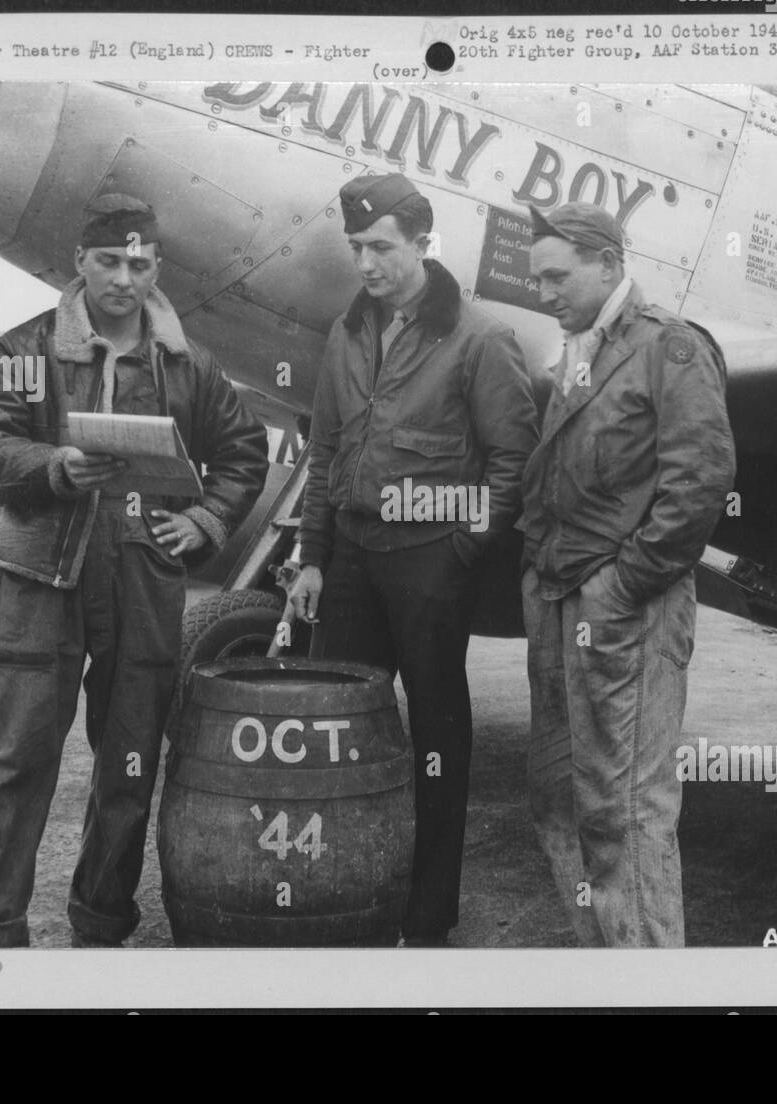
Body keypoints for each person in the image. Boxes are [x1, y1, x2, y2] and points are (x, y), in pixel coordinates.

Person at [0, 194, 269, 948]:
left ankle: (101, 923)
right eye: (111, 262)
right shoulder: (24, 350)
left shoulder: (190, 367)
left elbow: (243, 453)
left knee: (129, 764)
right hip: (37, 582)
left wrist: (205, 520)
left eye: (141, 264)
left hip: (142, 582)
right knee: (13, 760)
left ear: (156, 268)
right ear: (81, 263)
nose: (126, 278)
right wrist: (56, 464)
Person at [287, 173, 538, 946]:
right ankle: (351, 887)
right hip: (353, 561)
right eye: (356, 247)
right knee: (342, 729)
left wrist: (461, 550)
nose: (365, 264)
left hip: (429, 565)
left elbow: (514, 461)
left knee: (436, 735)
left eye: (381, 248)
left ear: (423, 244)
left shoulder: (480, 339)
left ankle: (429, 913)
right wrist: (312, 558)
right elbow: (325, 450)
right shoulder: (347, 332)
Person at [520, 201, 735, 948]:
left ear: (609, 265)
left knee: (625, 809)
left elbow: (700, 481)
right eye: (535, 277)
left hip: (627, 608)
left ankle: (649, 984)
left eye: (556, 275)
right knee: (561, 796)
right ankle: (602, 966)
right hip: (557, 596)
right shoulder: (576, 348)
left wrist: (624, 584)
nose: (543, 292)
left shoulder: (669, 347)